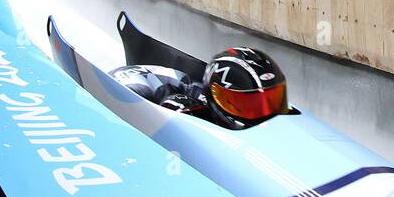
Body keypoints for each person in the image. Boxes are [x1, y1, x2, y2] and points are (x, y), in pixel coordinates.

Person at [111, 46, 288, 129]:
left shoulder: (200, 92)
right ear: (217, 98)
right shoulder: (189, 106)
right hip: (129, 83)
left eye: (272, 99)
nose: (263, 111)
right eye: (250, 103)